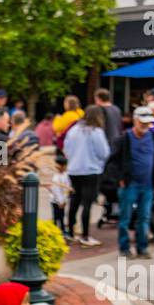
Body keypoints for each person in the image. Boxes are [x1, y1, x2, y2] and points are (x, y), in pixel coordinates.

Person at [112, 106, 154, 259]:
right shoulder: (124, 138)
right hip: (130, 184)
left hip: (147, 185)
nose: (145, 126)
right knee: (125, 218)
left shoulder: (152, 137)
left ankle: (142, 248)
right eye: (142, 123)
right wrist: (120, 179)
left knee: (144, 218)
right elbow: (114, 161)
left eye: (148, 123)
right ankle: (124, 248)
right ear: (135, 120)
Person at [62, 105, 111, 246]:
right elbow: (104, 152)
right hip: (90, 170)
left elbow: (66, 149)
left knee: (74, 201)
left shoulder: (73, 130)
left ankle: (70, 231)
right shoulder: (96, 132)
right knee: (87, 203)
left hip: (74, 170)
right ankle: (85, 235)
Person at [48, 152, 72, 234]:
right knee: (56, 216)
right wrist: (60, 201)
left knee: (62, 216)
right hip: (55, 201)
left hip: (63, 201)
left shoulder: (65, 175)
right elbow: (56, 191)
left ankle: (62, 229)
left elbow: (67, 187)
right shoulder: (56, 177)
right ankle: (55, 230)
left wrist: (65, 200)